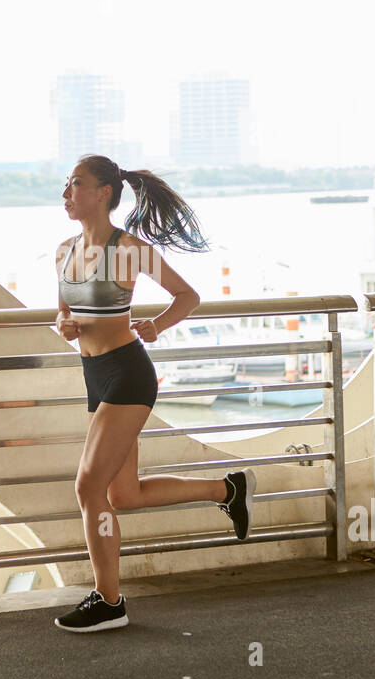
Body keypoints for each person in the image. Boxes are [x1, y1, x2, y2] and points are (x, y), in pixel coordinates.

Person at [51, 154, 255, 633]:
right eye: (67, 184)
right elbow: (63, 314)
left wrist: (157, 326)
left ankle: (109, 601)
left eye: (76, 183)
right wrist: (64, 325)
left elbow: (187, 296)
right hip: (94, 375)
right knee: (122, 494)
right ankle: (228, 489)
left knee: (88, 487)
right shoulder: (63, 251)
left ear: (103, 193)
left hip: (128, 374)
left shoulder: (129, 250)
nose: (66, 193)